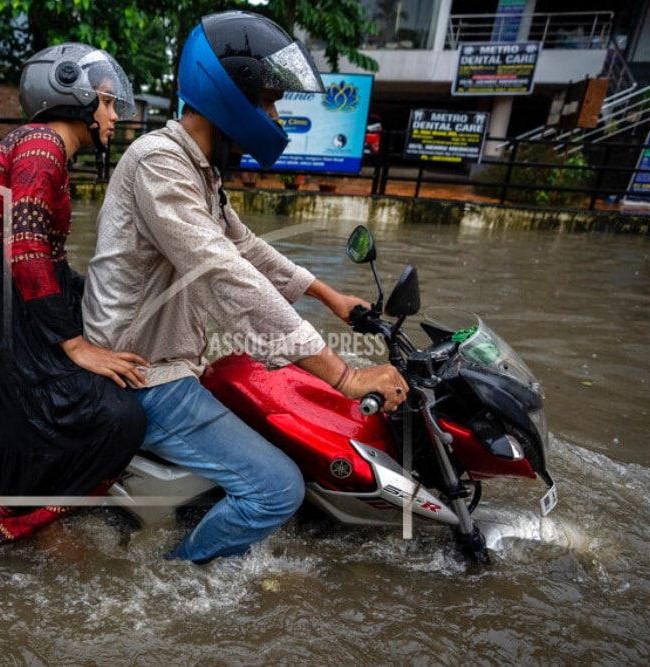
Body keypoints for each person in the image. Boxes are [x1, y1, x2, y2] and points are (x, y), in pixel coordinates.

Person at [82, 11, 409, 564]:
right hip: (144, 372)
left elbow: (248, 248)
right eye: (269, 102)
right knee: (278, 487)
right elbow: (220, 271)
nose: (275, 116)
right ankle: (179, 574)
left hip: (170, 357)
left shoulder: (199, 171)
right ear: (230, 94)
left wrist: (329, 296)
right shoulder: (159, 163)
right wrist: (345, 375)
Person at [0, 43, 148, 545]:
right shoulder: (42, 148)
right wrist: (77, 346)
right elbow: (27, 249)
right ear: (73, 95)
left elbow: (44, 257)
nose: (115, 116)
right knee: (124, 417)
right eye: (108, 103)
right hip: (0, 330)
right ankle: (20, 519)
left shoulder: (35, 147)